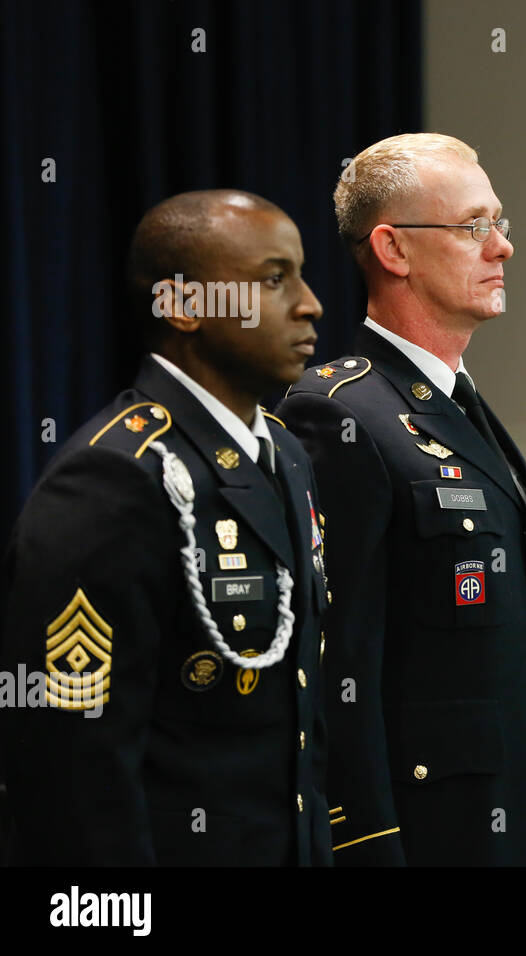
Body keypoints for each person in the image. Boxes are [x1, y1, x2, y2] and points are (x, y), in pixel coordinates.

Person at [0, 190, 331, 865]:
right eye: (274, 279)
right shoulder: (114, 479)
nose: (310, 304)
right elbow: (72, 769)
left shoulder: (285, 454)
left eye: (299, 274)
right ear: (182, 304)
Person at [276, 133, 526, 865]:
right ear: (393, 249)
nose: (502, 246)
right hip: (435, 836)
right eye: (473, 226)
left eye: (499, 222)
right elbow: (338, 668)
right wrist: (366, 846)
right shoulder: (339, 414)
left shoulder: (465, 408)